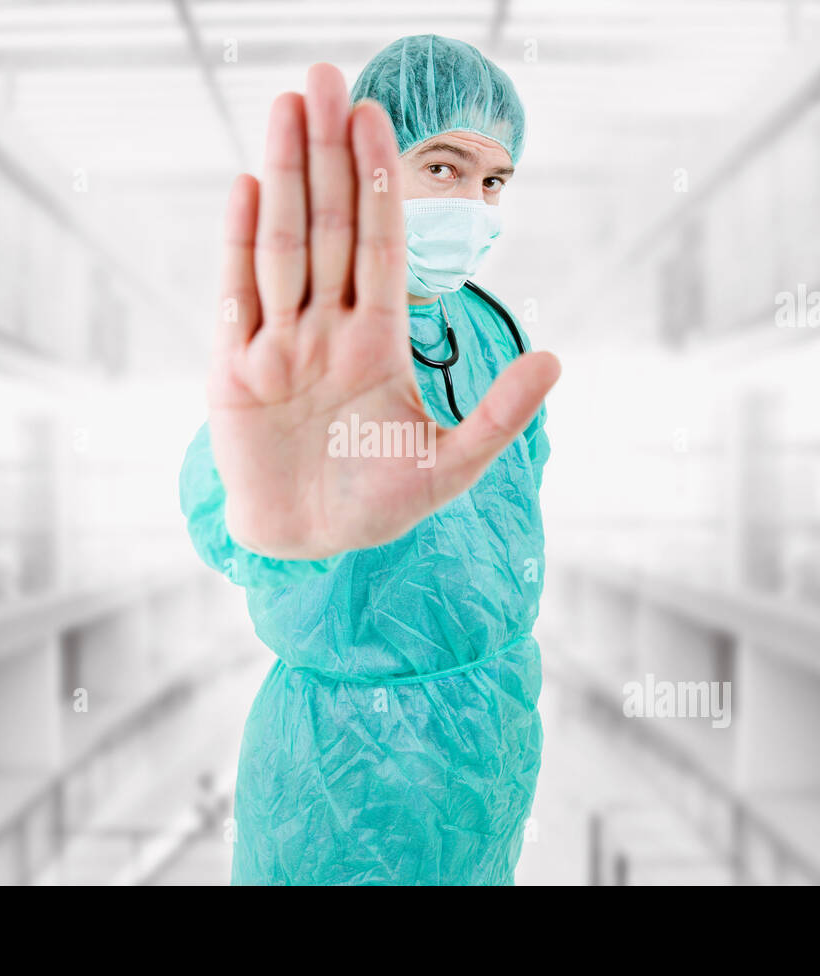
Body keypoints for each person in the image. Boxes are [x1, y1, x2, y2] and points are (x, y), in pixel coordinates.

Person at [179, 34, 559, 885]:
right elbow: (230, 490)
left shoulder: (495, 331)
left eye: (492, 182)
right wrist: (275, 525)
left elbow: (515, 511)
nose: (472, 202)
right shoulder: (315, 328)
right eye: (442, 168)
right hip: (341, 771)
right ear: (373, 167)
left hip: (490, 746)